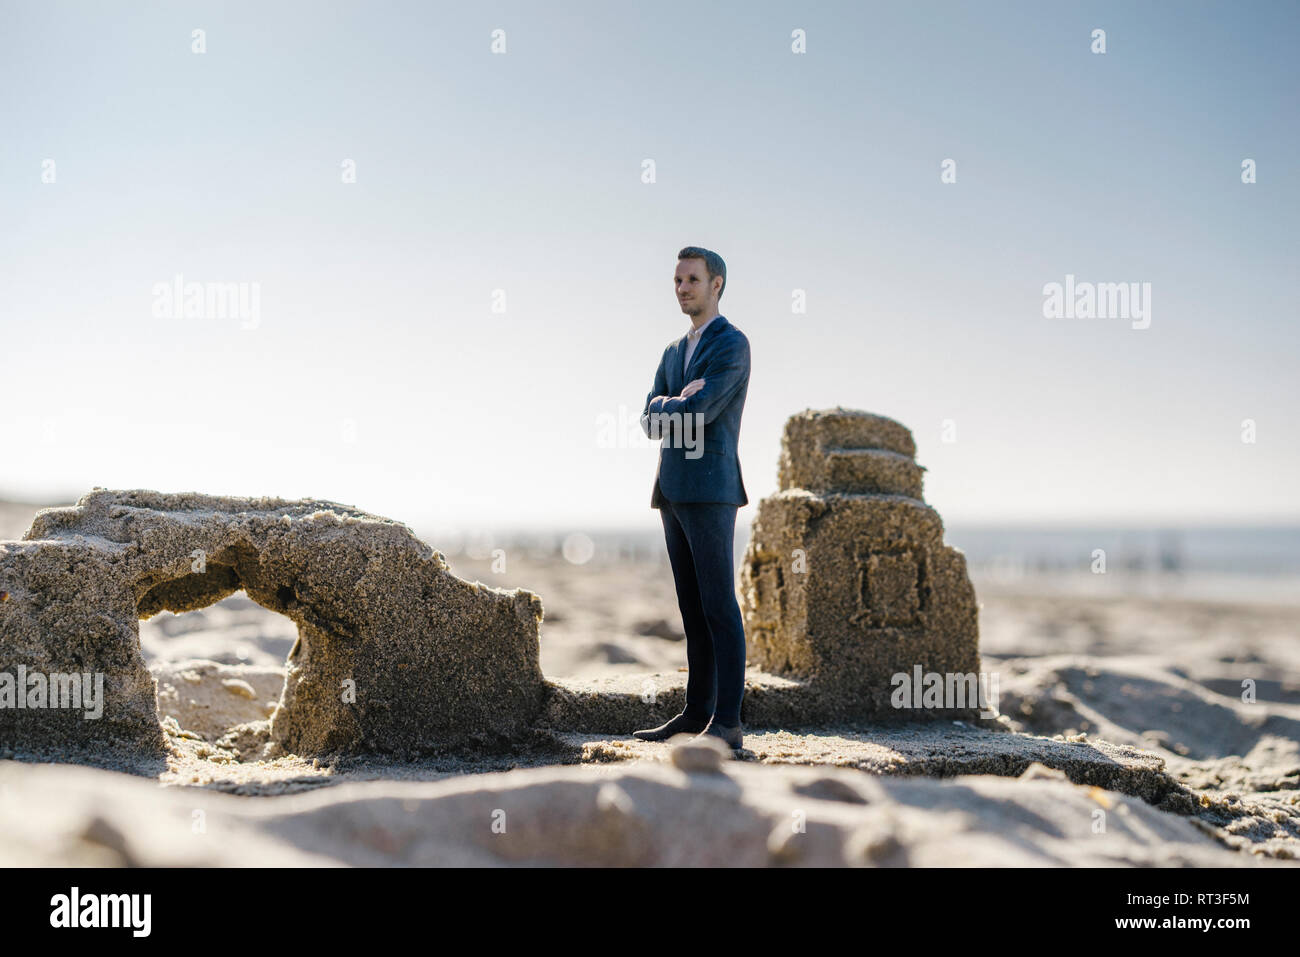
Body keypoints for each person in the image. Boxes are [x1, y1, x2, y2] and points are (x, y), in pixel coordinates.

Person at [634, 246, 751, 751]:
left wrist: (676, 404)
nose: (683, 288)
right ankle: (695, 712)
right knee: (690, 607)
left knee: (719, 605)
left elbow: (701, 412)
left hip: (712, 489)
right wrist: (671, 401)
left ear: (716, 284)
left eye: (693, 280)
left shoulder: (732, 344)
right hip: (673, 489)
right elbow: (647, 421)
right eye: (678, 280)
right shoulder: (670, 352)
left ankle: (727, 721)